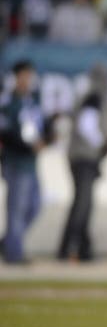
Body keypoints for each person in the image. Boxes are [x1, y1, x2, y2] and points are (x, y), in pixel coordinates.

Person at [58, 64, 107, 262]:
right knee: (83, 205)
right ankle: (71, 248)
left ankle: (82, 248)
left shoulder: (89, 97)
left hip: (82, 157)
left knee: (83, 204)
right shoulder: (93, 98)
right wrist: (103, 145)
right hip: (84, 158)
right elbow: (87, 126)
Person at [0, 60, 44, 264]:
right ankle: (14, 254)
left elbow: (40, 127)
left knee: (35, 205)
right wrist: (27, 145)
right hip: (16, 161)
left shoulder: (32, 101)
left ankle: (9, 243)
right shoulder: (8, 101)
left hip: (31, 162)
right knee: (16, 209)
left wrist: (47, 138)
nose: (27, 80)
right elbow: (6, 132)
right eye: (24, 75)